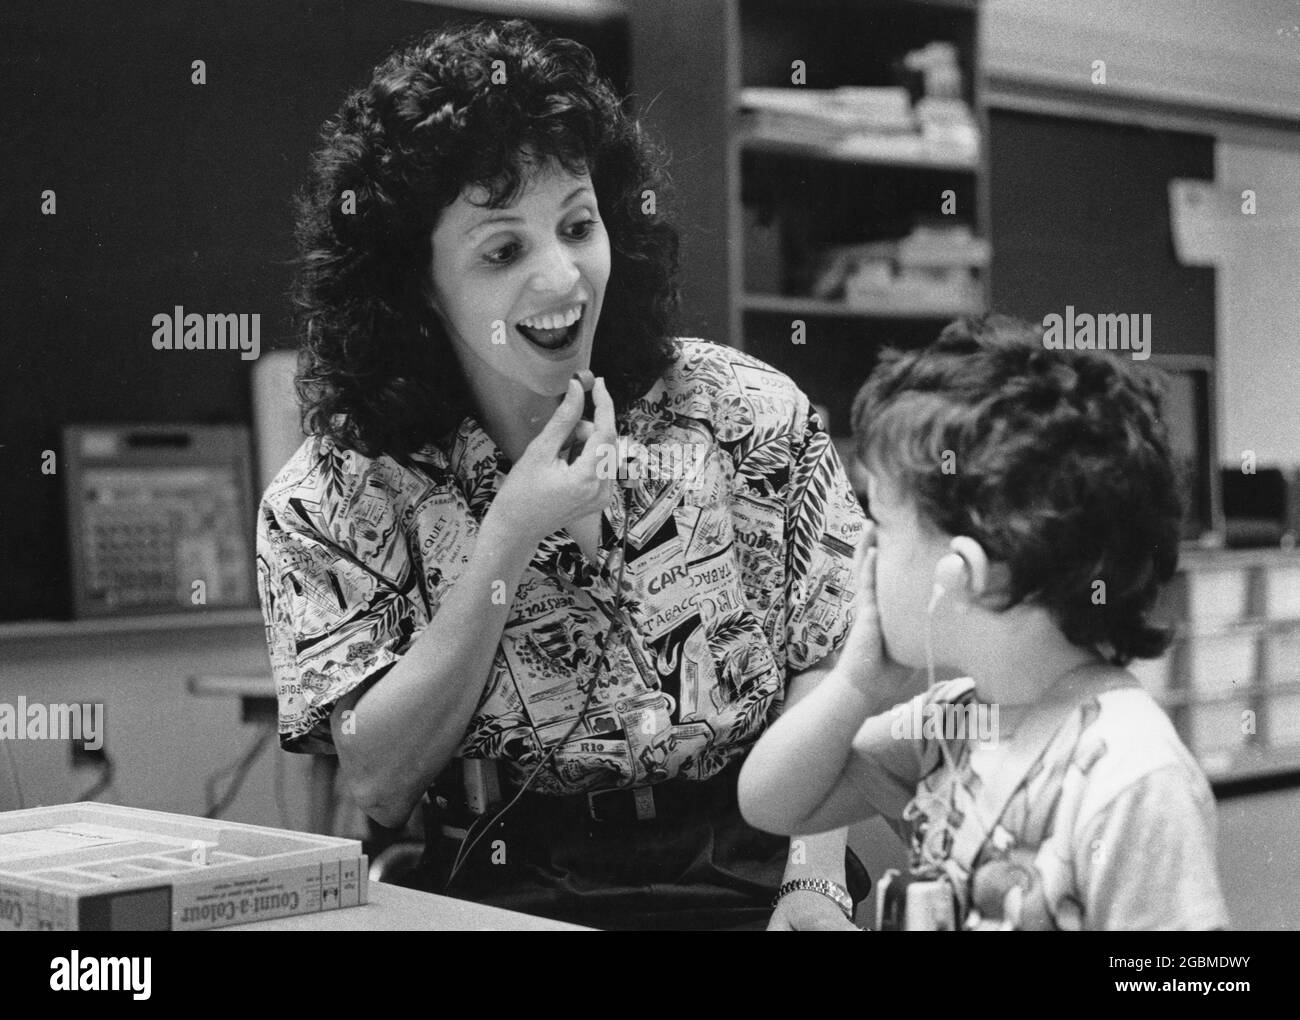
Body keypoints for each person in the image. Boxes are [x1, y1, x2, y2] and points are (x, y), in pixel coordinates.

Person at [256, 19, 874, 930]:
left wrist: (816, 882)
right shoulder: (342, 488)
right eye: (503, 251)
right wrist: (508, 536)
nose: (563, 277)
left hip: (756, 864)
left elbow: (836, 661)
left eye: (578, 226)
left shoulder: (746, 414)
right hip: (501, 881)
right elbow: (379, 780)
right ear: (419, 285)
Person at [738, 315, 1230, 930]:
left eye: (882, 527)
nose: (861, 551)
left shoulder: (1132, 775)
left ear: (959, 573)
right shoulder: (953, 721)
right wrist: (855, 686)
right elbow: (771, 803)